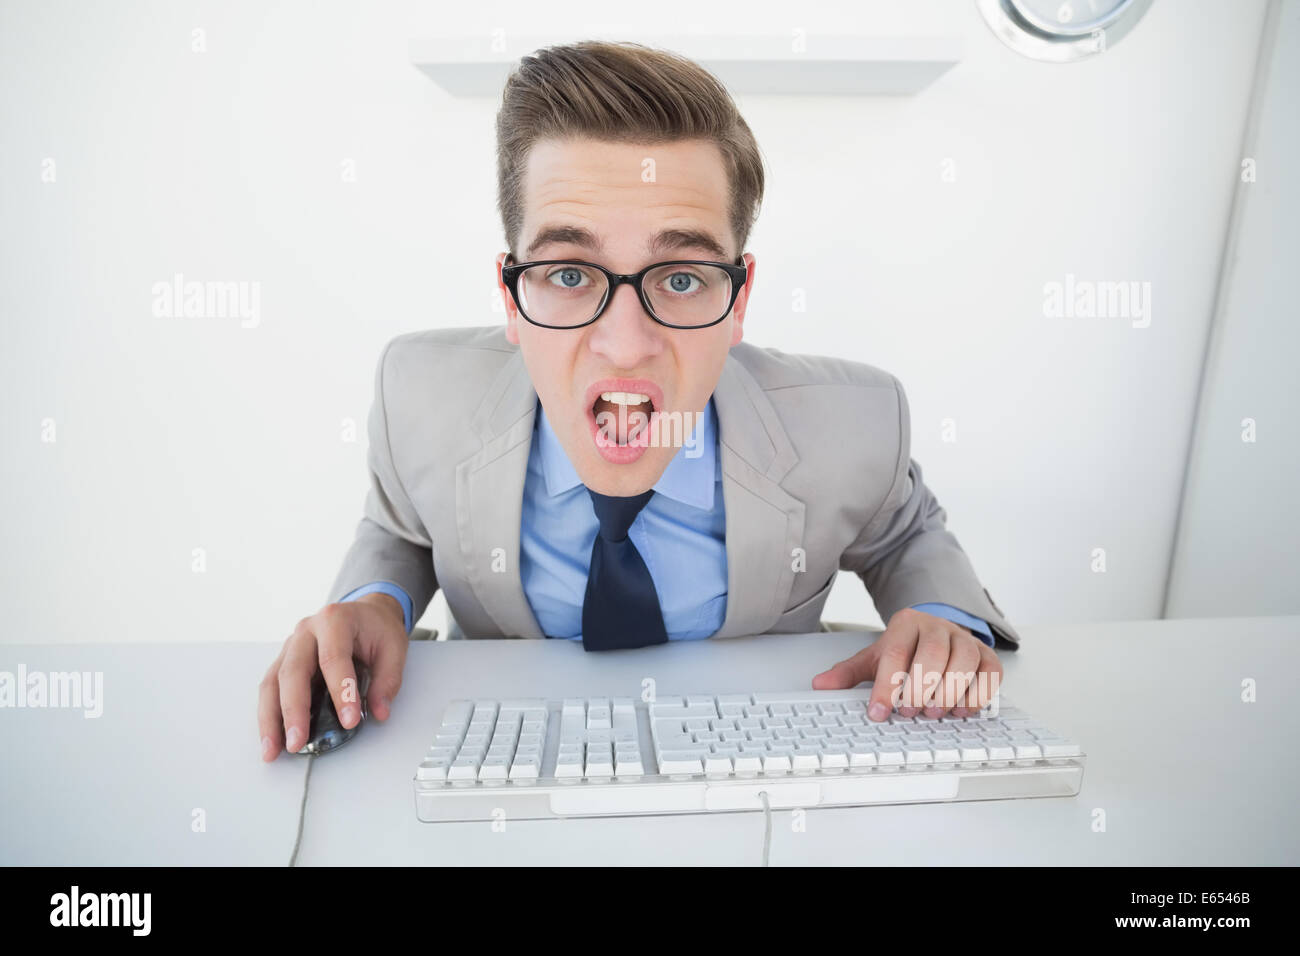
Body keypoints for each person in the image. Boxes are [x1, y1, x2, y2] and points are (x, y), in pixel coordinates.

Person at [257, 40, 1018, 761]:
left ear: (740, 295)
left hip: (751, 770)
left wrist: (943, 618)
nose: (626, 344)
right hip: (508, 764)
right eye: (567, 274)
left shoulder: (851, 423)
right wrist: (375, 602)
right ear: (511, 298)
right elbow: (403, 527)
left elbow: (904, 535)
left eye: (681, 279)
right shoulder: (420, 394)